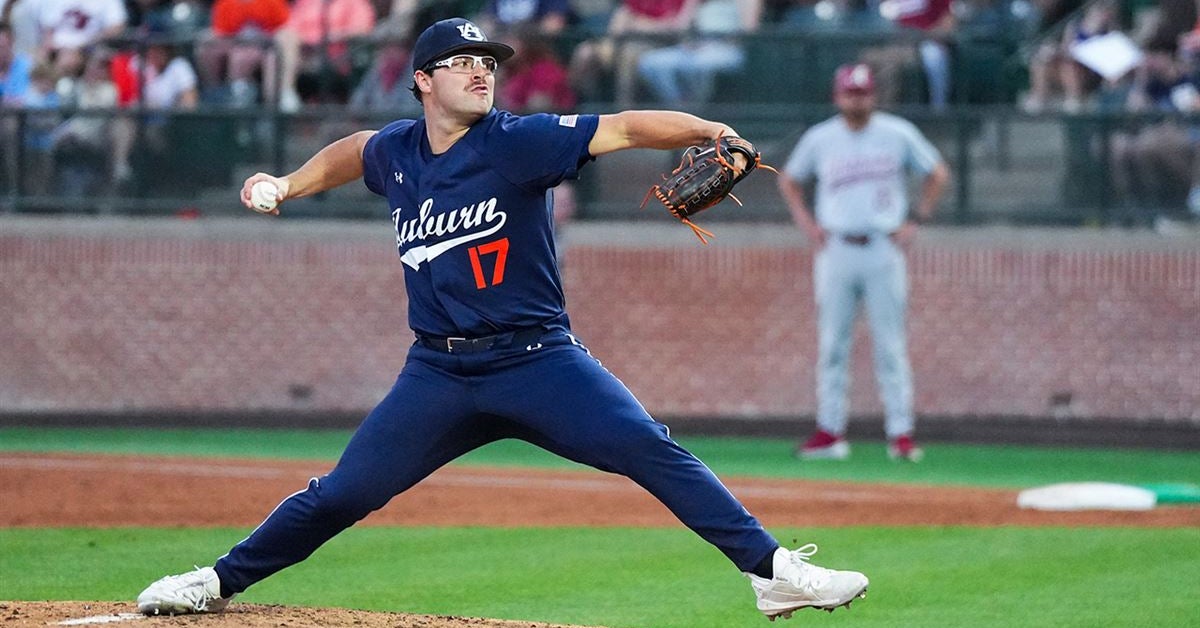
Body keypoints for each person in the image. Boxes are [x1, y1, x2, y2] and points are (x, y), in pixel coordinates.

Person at [134, 17, 869, 622]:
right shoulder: (398, 151)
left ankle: (773, 573)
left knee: (649, 447)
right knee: (345, 493)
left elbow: (623, 128)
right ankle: (216, 582)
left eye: (486, 62)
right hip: (439, 372)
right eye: (460, 62)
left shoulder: (518, 141)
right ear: (423, 80)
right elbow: (355, 151)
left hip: (538, 361)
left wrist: (708, 128)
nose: (480, 72)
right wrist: (289, 183)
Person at [777, 63, 949, 463]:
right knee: (832, 344)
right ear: (837, 96)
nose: (857, 101)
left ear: (874, 96)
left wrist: (917, 218)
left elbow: (937, 172)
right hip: (837, 246)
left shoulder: (897, 133)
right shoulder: (821, 137)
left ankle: (901, 434)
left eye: (863, 93)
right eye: (850, 94)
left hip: (882, 246)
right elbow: (789, 178)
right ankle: (830, 431)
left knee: (890, 344)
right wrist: (806, 223)